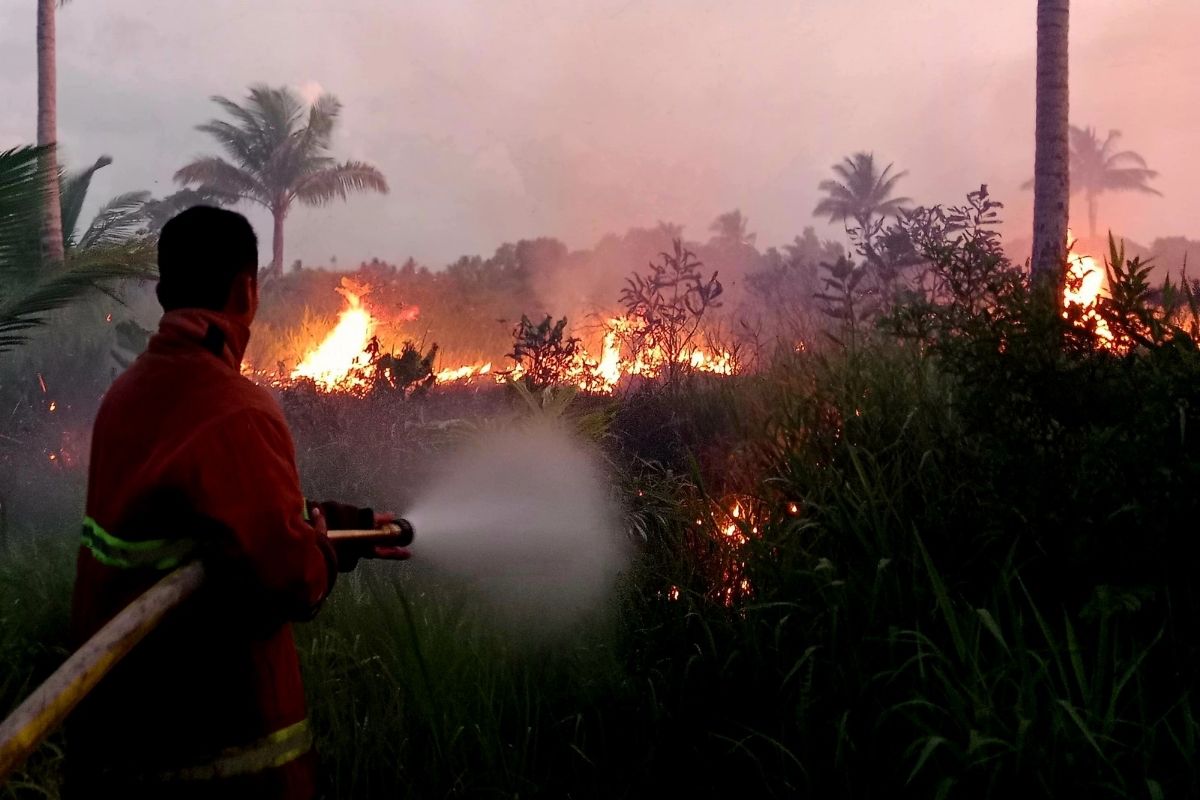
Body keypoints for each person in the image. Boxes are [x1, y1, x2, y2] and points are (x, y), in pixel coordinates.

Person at [66, 206, 408, 799]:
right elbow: (288, 576)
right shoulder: (234, 409)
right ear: (246, 290)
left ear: (163, 292)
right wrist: (321, 557)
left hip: (117, 749)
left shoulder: (124, 399)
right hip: (220, 759)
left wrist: (347, 530)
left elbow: (213, 520)